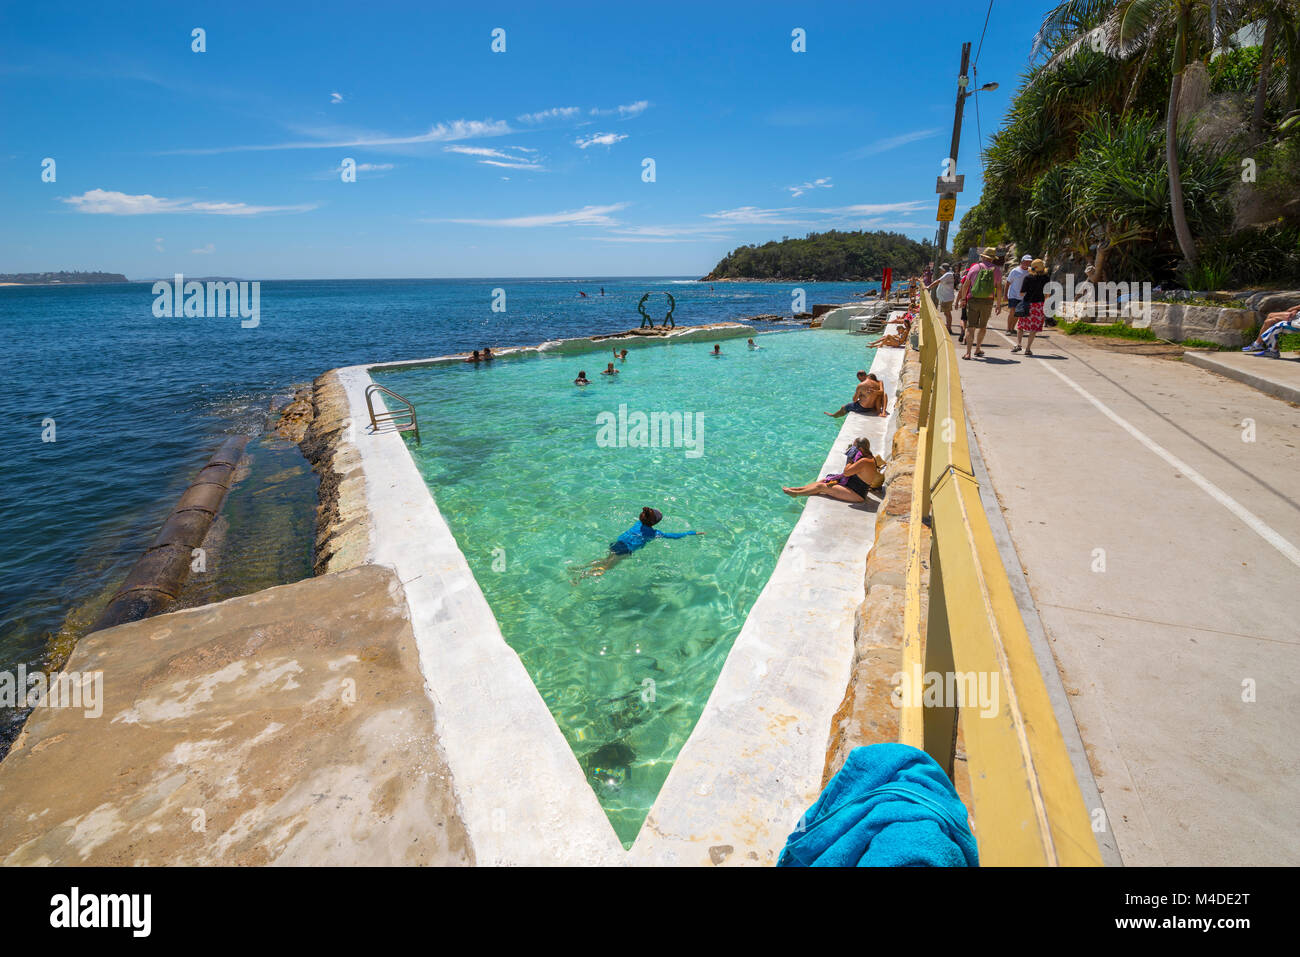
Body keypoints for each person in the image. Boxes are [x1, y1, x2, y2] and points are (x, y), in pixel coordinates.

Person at [574, 506, 703, 580]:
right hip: (625, 551)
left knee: (605, 559)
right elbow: (674, 536)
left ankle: (580, 567)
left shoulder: (638, 523)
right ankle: (581, 577)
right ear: (654, 523)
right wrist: (692, 533)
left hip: (617, 544)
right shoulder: (654, 534)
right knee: (606, 568)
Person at [783, 437, 887, 503]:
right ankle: (797, 489)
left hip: (857, 494)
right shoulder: (865, 456)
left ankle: (797, 494)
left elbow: (847, 472)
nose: (852, 449)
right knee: (823, 481)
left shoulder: (865, 461)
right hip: (850, 487)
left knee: (821, 486)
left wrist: (849, 457)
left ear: (860, 448)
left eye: (854, 447)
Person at [956, 247, 1004, 360]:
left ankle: (968, 353)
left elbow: (966, 285)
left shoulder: (975, 268)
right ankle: (977, 348)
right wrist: (998, 305)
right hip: (988, 301)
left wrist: (963, 299)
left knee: (970, 327)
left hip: (973, 300)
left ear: (982, 257)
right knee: (983, 327)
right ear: (992, 259)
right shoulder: (997, 270)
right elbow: (999, 289)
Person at [1011, 259, 1049, 357]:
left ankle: (1019, 344)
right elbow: (1047, 294)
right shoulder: (1046, 278)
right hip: (1039, 306)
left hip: (1027, 304)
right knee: (1034, 328)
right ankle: (1028, 349)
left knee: (1021, 325)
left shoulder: (1028, 277)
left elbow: (1022, 293)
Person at [1005, 254, 1032, 334]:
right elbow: (1008, 283)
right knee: (1012, 312)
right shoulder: (1015, 271)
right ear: (1022, 261)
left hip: (1023, 296)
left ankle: (1012, 329)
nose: (1027, 263)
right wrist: (1005, 295)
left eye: (1029, 262)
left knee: (1018, 313)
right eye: (1026, 261)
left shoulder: (1030, 271)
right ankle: (1008, 329)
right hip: (1013, 295)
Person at [927, 263, 957, 334]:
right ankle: (948, 327)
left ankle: (949, 329)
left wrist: (929, 287)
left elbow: (937, 281)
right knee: (947, 313)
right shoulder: (950, 274)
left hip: (946, 298)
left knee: (947, 314)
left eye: (941, 269)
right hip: (948, 297)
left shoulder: (947, 275)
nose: (940, 271)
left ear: (943, 269)